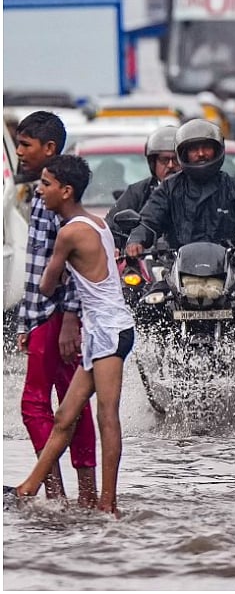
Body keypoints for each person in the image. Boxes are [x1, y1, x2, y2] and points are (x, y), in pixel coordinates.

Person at [11, 155, 135, 516]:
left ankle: (108, 505)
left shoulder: (68, 233)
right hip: (102, 331)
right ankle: (28, 487)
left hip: (110, 331)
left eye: (46, 184)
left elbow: (46, 286)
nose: (40, 190)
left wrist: (57, 265)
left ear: (66, 191)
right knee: (65, 417)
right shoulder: (95, 223)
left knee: (106, 416)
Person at [12, 111, 97, 506]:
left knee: (37, 404)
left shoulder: (57, 199)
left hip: (57, 317)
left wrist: (68, 319)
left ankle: (56, 492)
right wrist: (26, 322)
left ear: (49, 149)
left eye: (25, 145)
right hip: (43, 316)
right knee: (69, 405)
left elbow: (74, 271)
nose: (18, 152)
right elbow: (36, 267)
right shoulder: (42, 194)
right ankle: (81, 495)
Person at [125, 119, 235, 259]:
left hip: (228, 271)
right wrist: (137, 241)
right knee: (154, 289)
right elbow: (149, 220)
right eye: (194, 149)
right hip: (177, 273)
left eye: (206, 147)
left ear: (217, 150)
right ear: (184, 153)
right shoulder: (168, 188)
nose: (201, 153)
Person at [106, 125, 180, 251]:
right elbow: (110, 231)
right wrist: (125, 245)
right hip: (146, 264)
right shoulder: (137, 192)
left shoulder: (197, 191)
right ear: (153, 162)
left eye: (176, 160)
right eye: (164, 160)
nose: (171, 165)